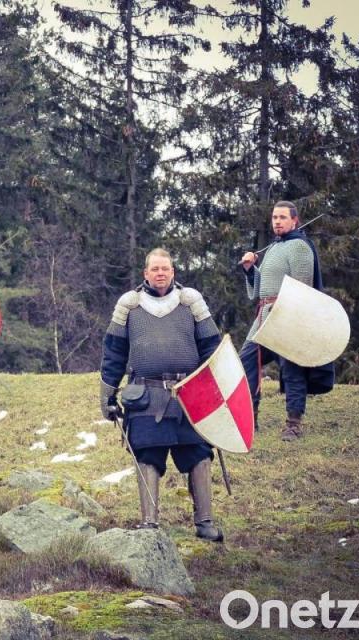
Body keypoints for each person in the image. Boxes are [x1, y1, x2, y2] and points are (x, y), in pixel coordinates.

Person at [100, 248, 224, 542]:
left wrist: (216, 390)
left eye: (164, 269)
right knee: (147, 454)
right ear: (145, 273)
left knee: (198, 454)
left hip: (188, 395)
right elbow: (114, 352)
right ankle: (149, 523)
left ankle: (204, 521)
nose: (160, 273)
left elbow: (212, 348)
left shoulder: (191, 302)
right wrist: (106, 395)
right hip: (145, 393)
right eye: (154, 269)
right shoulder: (128, 306)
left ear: (173, 272)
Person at [239, 200, 326, 441]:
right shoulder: (274, 248)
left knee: (291, 370)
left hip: (288, 317)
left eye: (282, 217)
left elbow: (302, 289)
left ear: (294, 220)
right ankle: (250, 418)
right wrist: (249, 269)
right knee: (246, 362)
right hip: (264, 317)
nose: (277, 221)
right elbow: (259, 291)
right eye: (274, 217)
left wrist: (289, 318)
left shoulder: (299, 247)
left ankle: (293, 424)